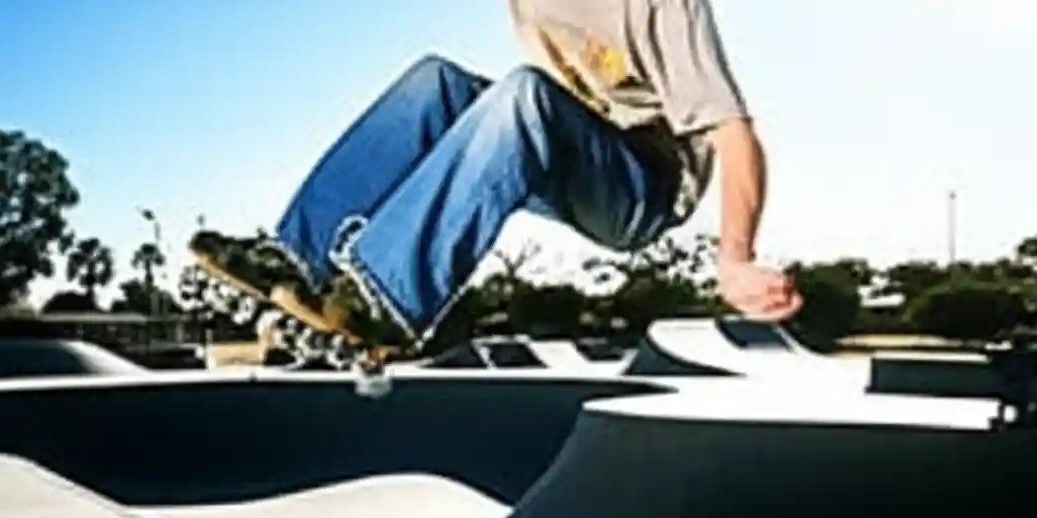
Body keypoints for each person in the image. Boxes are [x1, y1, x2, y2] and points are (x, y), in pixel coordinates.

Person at [190, 0, 803, 357]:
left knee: (524, 95)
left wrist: (736, 258)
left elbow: (735, 133)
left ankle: (390, 296)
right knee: (435, 84)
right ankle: (298, 256)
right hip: (561, 147)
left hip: (643, 185)